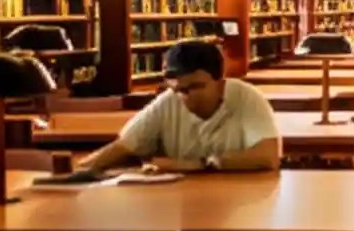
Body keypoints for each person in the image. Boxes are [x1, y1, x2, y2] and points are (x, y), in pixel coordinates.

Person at [77, 41, 281, 173]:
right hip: (181, 201)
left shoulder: (246, 97)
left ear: (220, 82)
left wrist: (200, 164)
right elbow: (125, 145)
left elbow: (268, 156)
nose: (186, 97)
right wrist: (80, 170)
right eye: (179, 90)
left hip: (243, 200)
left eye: (196, 87)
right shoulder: (169, 100)